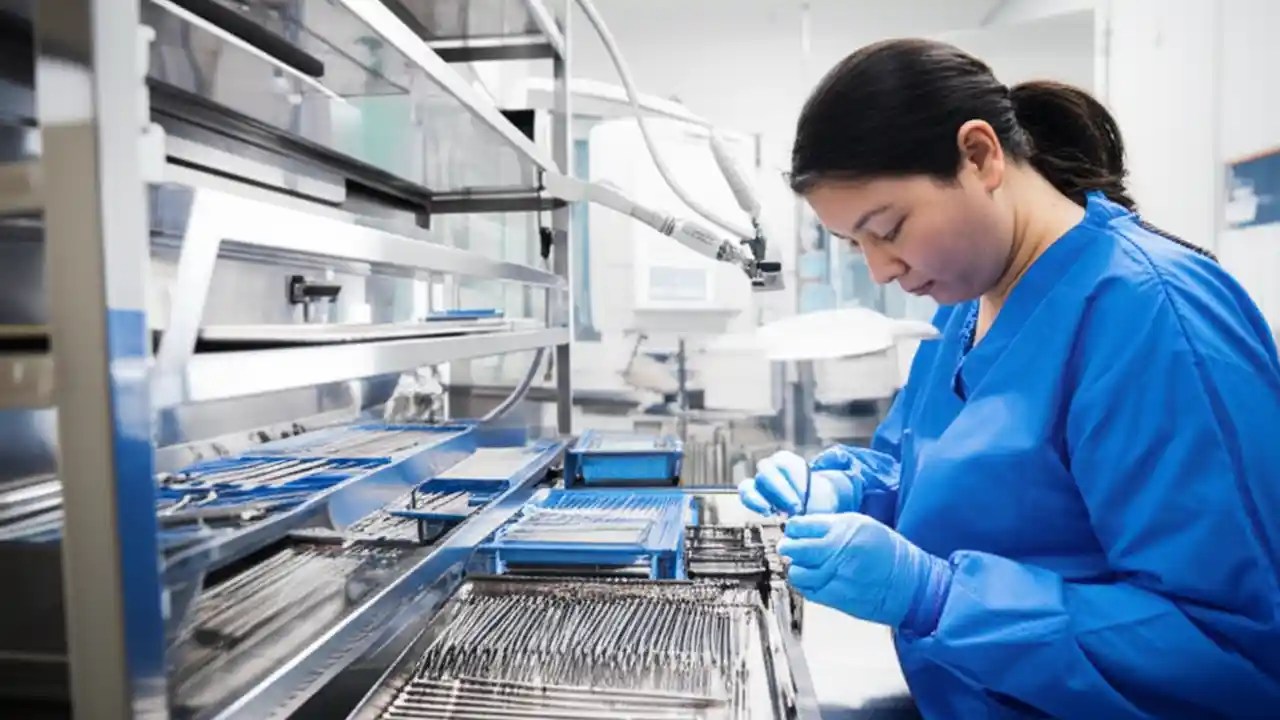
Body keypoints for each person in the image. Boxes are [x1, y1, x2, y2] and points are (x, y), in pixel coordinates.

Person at [739, 38, 1280, 718]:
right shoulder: (967, 303)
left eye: (890, 228)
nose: (880, 270)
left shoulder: (1152, 316)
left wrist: (939, 598)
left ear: (980, 155)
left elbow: (1230, 653)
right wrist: (845, 488)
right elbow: (929, 471)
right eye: (857, 245)